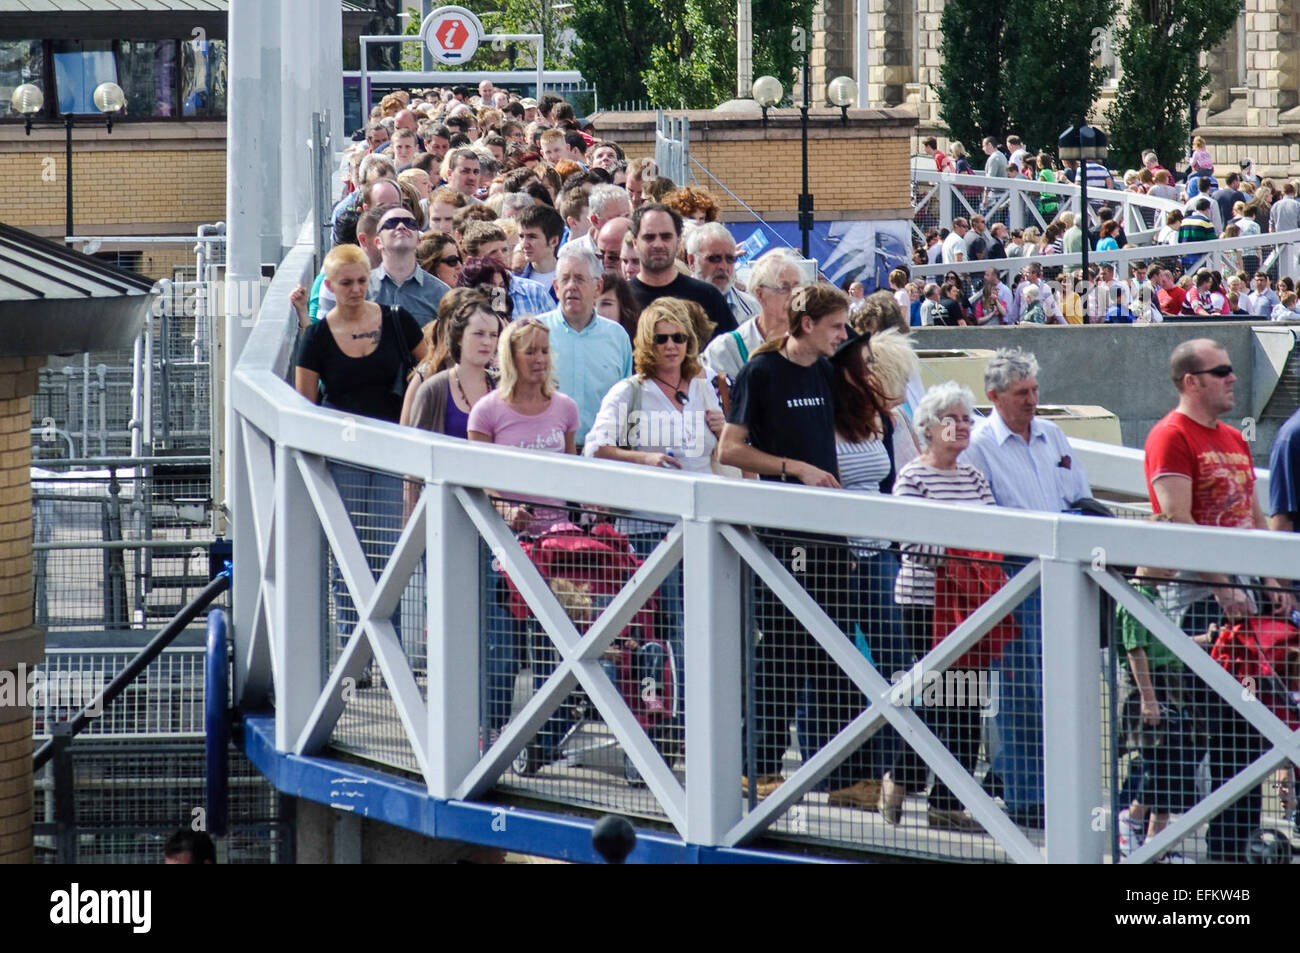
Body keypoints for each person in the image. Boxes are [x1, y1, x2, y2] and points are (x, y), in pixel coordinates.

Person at [720, 284, 884, 806]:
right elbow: (730, 449)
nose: (843, 336)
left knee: (834, 652)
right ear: (808, 324)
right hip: (784, 532)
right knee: (785, 652)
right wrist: (797, 470)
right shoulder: (762, 373)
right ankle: (758, 768)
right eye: (836, 326)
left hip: (829, 532)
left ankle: (844, 777)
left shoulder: (823, 370)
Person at [1144, 338, 1296, 861]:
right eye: (1222, 371)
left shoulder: (1232, 436)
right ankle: (1151, 831)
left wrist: (1271, 580)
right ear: (1192, 381)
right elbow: (1178, 520)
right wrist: (1223, 585)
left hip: (1243, 598)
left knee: (1249, 733)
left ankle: (1235, 852)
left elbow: (1251, 517)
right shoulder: (1170, 435)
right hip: (1197, 607)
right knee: (1201, 732)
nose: (1233, 378)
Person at [960, 348, 1092, 829]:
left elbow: (1077, 493)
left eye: (1035, 390)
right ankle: (1024, 794)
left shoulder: (1053, 434)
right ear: (994, 397)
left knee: (1062, 684)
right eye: (1022, 394)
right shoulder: (978, 445)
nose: (1033, 400)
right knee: (1017, 687)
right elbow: (980, 516)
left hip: (1065, 569)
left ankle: (1054, 787)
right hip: (1014, 573)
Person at [884, 381, 997, 831]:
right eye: (954, 419)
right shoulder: (912, 476)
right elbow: (911, 543)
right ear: (929, 427)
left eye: (969, 418)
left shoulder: (972, 476)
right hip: (925, 603)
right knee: (935, 699)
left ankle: (949, 803)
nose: (964, 426)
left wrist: (967, 553)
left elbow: (995, 533)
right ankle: (903, 777)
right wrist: (964, 552)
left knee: (969, 698)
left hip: (970, 603)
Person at [467, 317, 579, 748]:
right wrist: (507, 506)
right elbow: (477, 476)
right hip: (504, 545)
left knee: (556, 647)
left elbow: (573, 471)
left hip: (556, 544)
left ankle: (546, 740)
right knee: (505, 650)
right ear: (510, 357)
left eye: (544, 350)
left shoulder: (565, 407)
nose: (538, 359)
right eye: (529, 351)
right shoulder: (489, 410)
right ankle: (488, 732)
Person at [829, 328, 909, 808]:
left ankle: (893, 771)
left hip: (879, 553)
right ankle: (843, 776)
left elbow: (892, 483)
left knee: (895, 662)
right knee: (839, 668)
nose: (868, 371)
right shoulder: (820, 416)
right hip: (838, 555)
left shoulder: (882, 418)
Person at [535, 245, 633, 446]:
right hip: (547, 450)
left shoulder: (617, 336)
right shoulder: (535, 332)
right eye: (565, 279)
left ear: (597, 288)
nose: (571, 286)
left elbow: (627, 402)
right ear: (556, 287)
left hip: (602, 453)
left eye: (579, 279)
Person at [627, 203, 737, 338]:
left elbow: (732, 353)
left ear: (678, 242)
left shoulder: (708, 296)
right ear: (635, 243)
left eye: (666, 237)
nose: (658, 244)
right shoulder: (622, 298)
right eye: (649, 237)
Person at [703, 249, 800, 380]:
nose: (794, 295)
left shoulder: (811, 344)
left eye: (798, 288)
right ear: (760, 294)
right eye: (784, 288)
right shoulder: (726, 349)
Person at [686, 222, 760, 326]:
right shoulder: (674, 307)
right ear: (692, 261)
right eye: (714, 258)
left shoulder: (754, 310)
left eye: (730, 259)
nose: (723, 266)